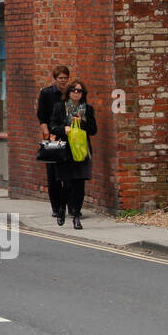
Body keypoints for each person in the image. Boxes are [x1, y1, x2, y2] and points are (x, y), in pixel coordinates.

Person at [49, 79, 97, 229]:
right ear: (68, 92)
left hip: (82, 151)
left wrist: (81, 123)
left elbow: (94, 130)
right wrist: (64, 128)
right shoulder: (60, 107)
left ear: (83, 94)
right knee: (68, 184)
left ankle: (76, 216)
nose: (76, 93)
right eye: (73, 90)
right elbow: (53, 126)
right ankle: (62, 208)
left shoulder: (87, 109)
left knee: (79, 185)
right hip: (65, 151)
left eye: (79, 91)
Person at [37, 64, 73, 223]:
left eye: (65, 78)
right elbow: (42, 116)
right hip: (52, 137)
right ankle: (56, 207)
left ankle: (70, 206)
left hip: (69, 137)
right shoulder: (47, 94)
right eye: (60, 78)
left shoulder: (73, 93)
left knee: (70, 174)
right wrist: (46, 135)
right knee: (53, 176)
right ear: (55, 79)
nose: (63, 81)